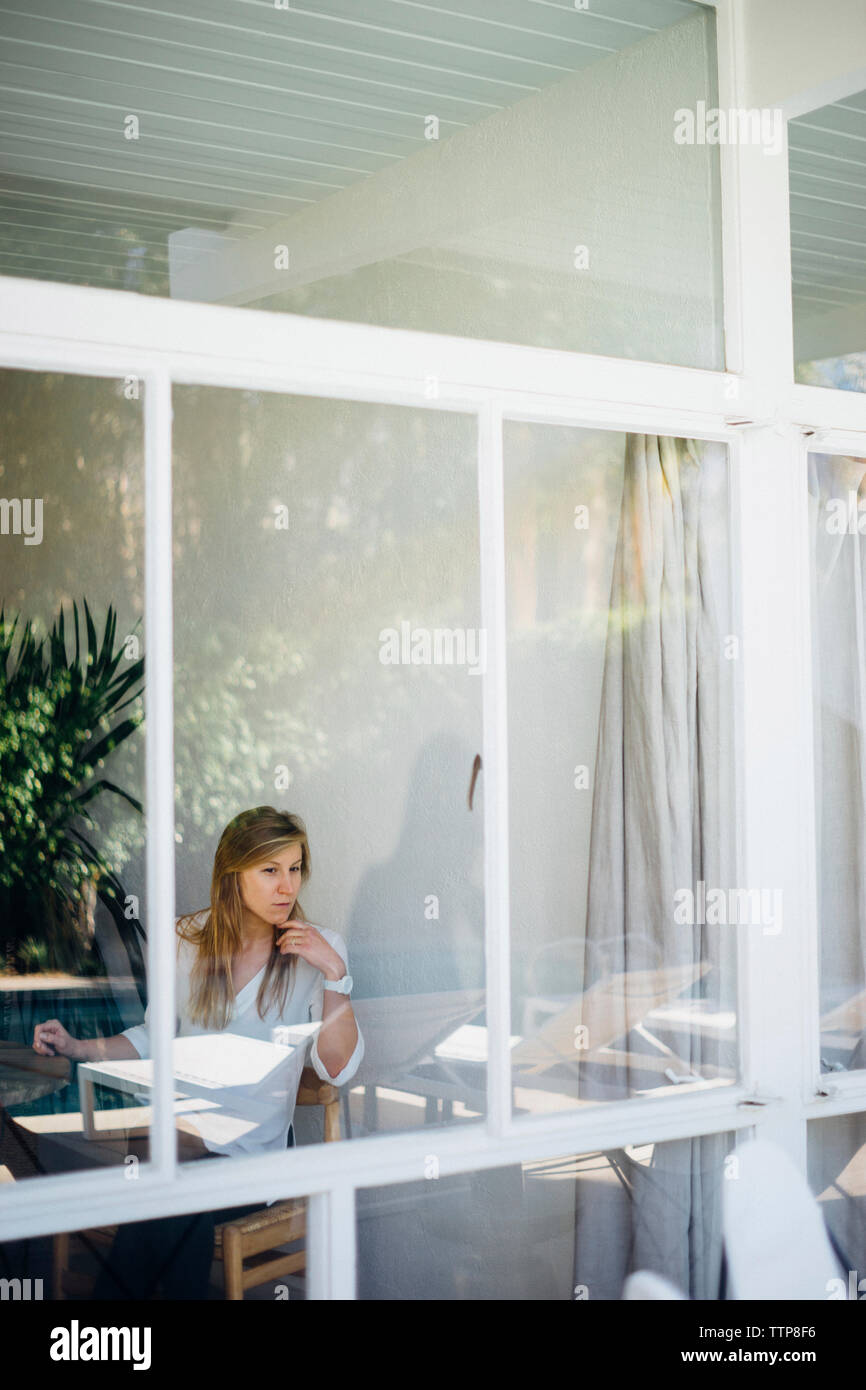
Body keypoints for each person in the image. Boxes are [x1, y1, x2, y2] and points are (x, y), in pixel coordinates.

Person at [31, 805, 364, 1299]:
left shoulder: (316, 951)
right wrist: (79, 1046)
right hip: (177, 1144)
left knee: (165, 1199)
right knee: (174, 1192)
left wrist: (336, 974)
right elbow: (152, 1040)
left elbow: (336, 1068)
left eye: (295, 869)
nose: (287, 887)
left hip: (250, 1156)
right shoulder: (183, 940)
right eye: (270, 870)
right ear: (233, 875)